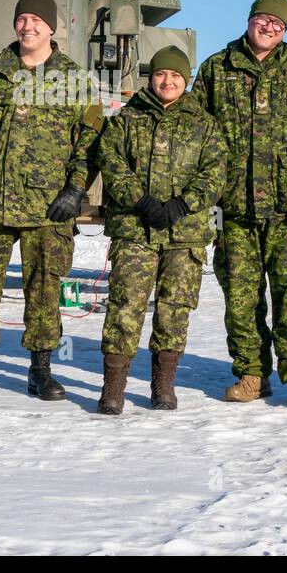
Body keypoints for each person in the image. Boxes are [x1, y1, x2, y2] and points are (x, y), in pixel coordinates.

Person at [0, 0, 103, 402]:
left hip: (48, 208)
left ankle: (41, 372)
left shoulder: (73, 79)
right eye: (22, 19)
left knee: (44, 291)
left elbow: (90, 142)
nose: (28, 26)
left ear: (52, 27)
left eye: (36, 20)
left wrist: (75, 190)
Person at [191, 0, 287, 404]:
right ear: (249, 20)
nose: (269, 27)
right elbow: (197, 131)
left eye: (278, 24)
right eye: (262, 19)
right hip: (234, 207)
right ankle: (251, 373)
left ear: (286, 30)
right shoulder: (218, 68)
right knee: (241, 297)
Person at [95, 46, 225, 413]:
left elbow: (215, 172)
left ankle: (164, 384)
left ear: (186, 81)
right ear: (150, 78)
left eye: (176, 76)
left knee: (175, 308)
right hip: (136, 230)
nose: (167, 82)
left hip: (185, 233)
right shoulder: (125, 119)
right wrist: (142, 202)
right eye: (160, 75)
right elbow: (112, 161)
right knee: (125, 306)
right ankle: (114, 388)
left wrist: (182, 204)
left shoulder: (205, 124)